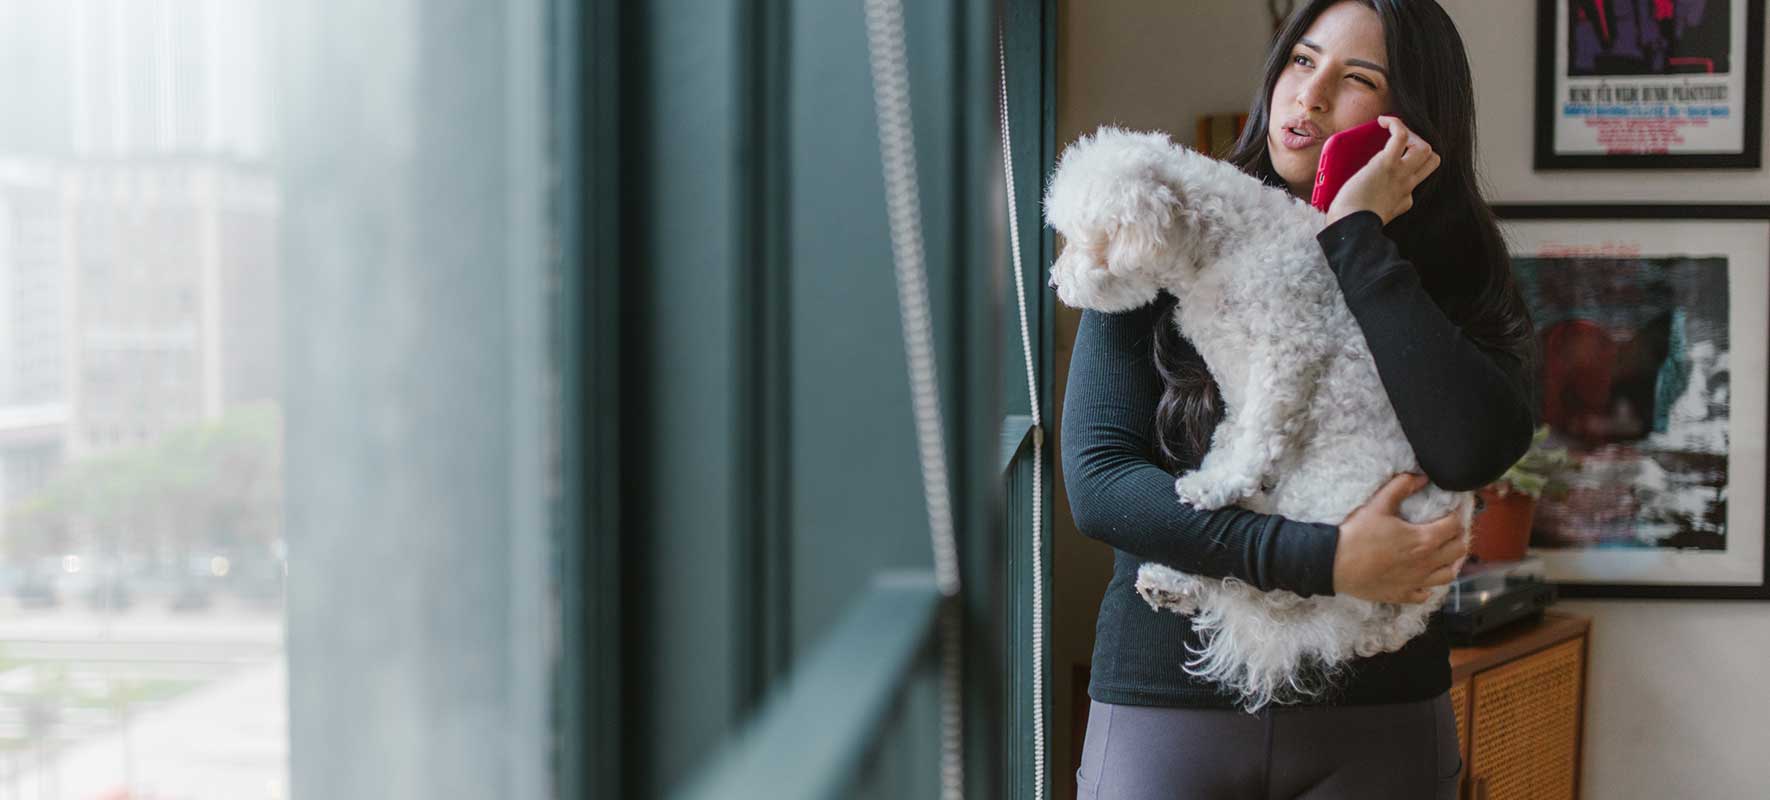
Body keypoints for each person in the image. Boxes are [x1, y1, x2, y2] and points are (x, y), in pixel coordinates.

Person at [1060, 1, 1541, 798]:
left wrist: (1355, 239)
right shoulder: (1169, 222)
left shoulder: (1457, 274)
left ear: (1411, 120)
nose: (1310, 96)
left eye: (1356, 79)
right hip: (1168, 699)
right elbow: (1101, 483)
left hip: (1380, 712)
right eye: (1301, 61)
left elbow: (1472, 449)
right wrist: (1325, 562)